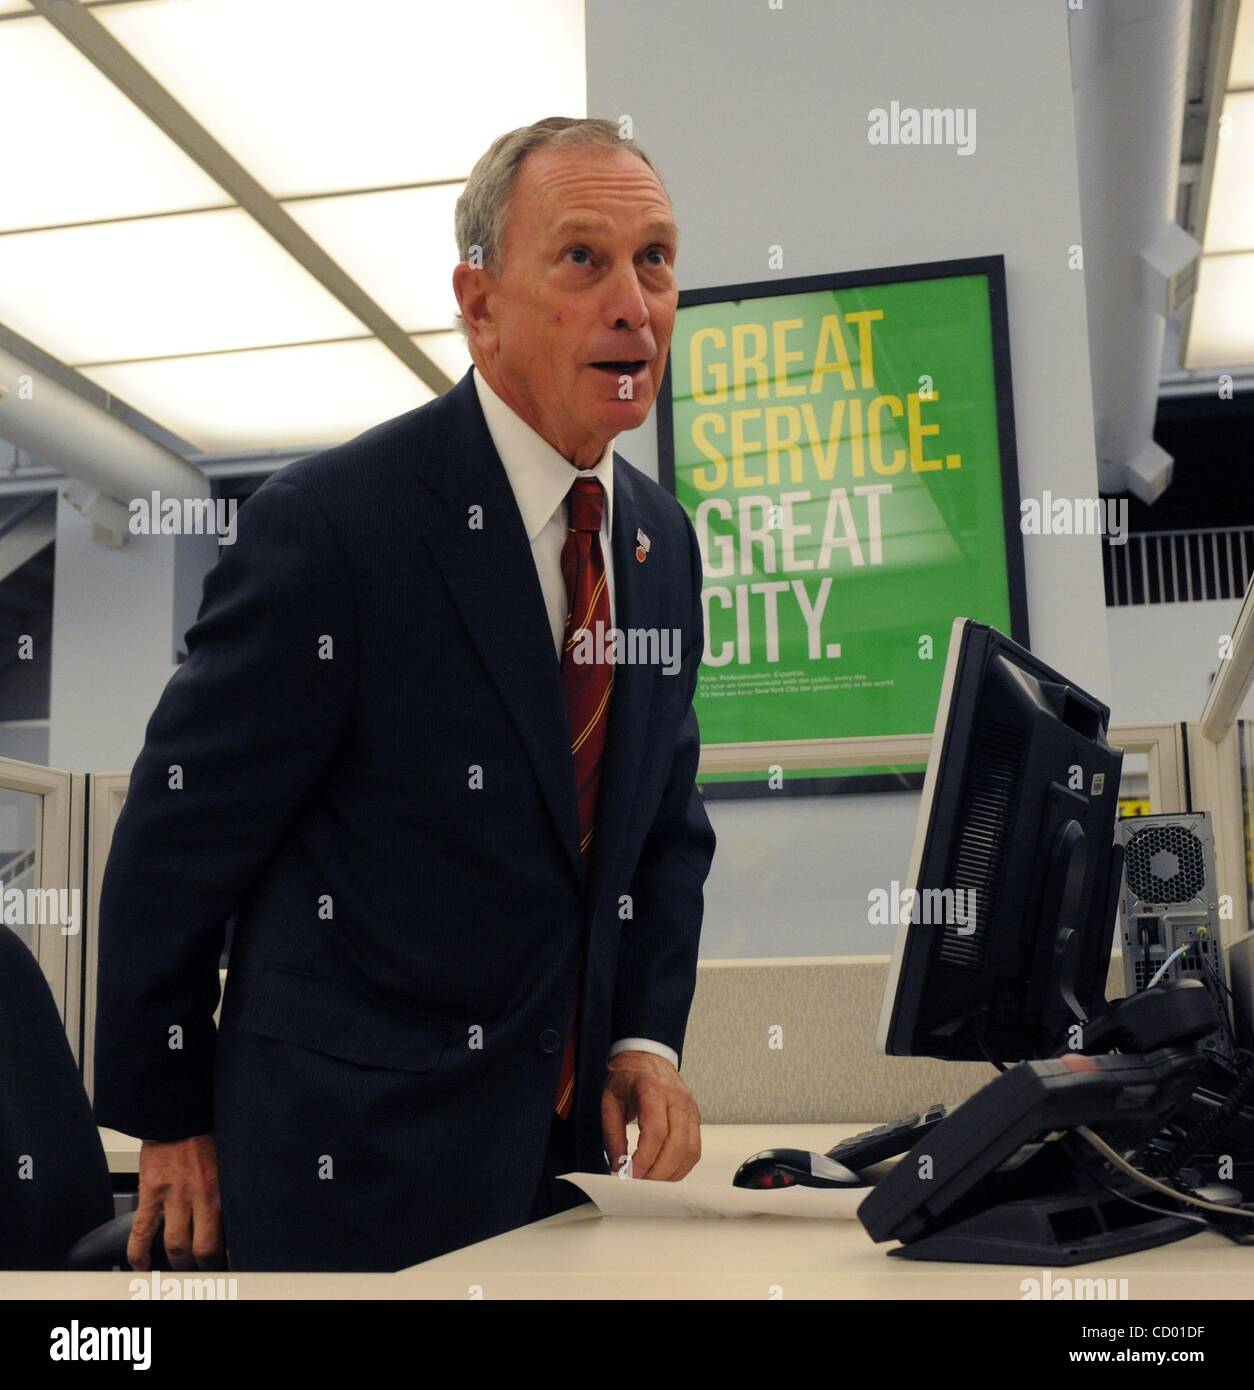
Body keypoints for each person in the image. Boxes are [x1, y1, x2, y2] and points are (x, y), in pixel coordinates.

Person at [93, 116, 717, 1272]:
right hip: (349, 1163)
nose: (634, 303)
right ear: (478, 305)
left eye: (657, 258)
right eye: (583, 259)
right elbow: (180, 833)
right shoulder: (336, 526)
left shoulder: (661, 548)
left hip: (563, 1162)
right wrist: (170, 1117)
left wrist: (642, 1036)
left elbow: (663, 833)